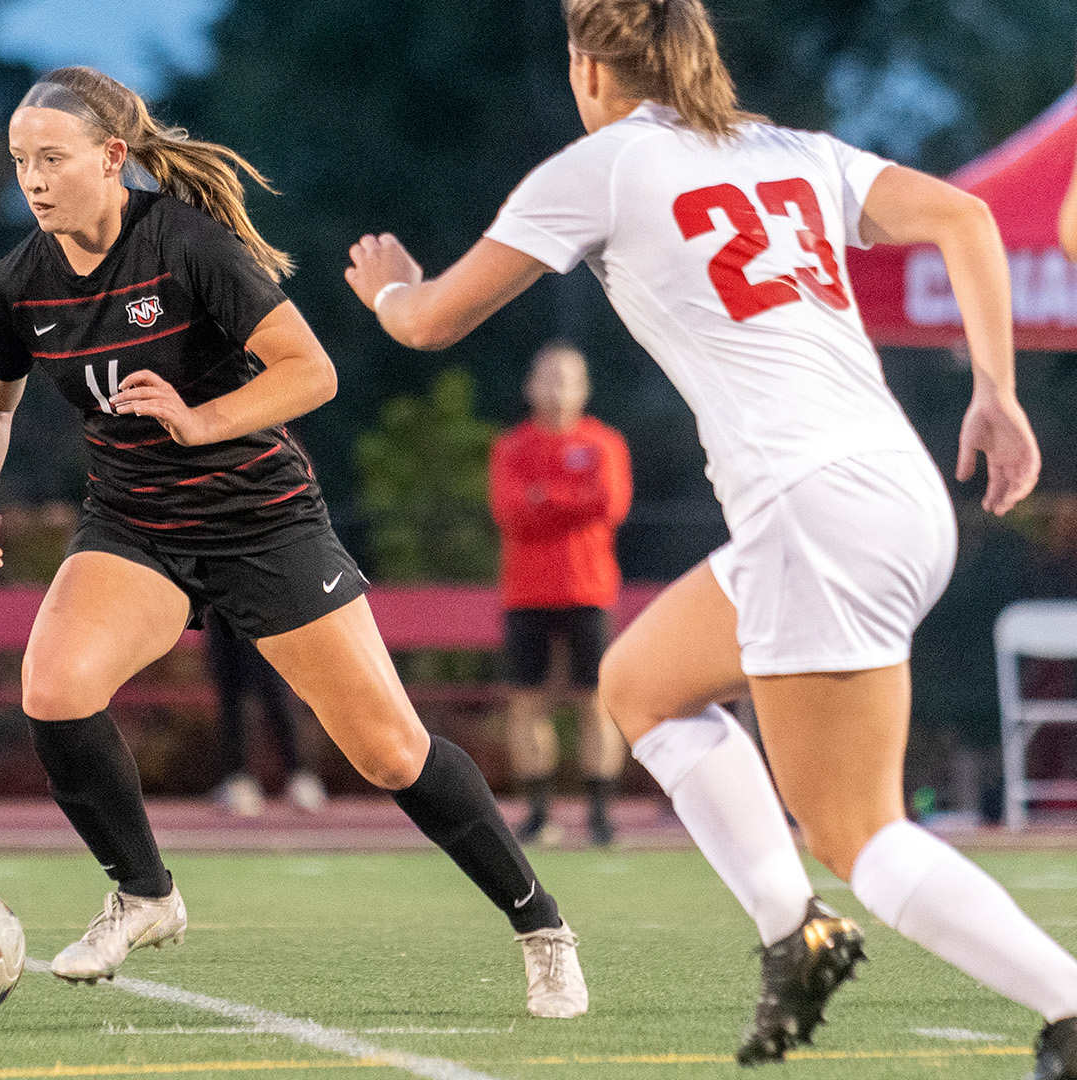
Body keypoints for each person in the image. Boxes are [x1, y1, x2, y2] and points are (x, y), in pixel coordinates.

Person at [343, 0, 1077, 1072]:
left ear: (591, 67)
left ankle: (1065, 1003)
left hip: (813, 510)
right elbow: (965, 218)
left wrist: (389, 287)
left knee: (858, 831)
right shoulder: (793, 149)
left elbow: (430, 321)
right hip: (893, 493)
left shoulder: (599, 167)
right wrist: (996, 394)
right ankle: (796, 934)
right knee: (639, 684)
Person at [0, 65, 587, 1018]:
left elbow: (312, 372)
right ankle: (146, 894)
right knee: (54, 686)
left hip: (261, 521)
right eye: (18, 162)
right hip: (135, 526)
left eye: (52, 158)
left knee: (388, 752)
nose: (32, 180)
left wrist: (201, 422)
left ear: (113, 159)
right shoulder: (22, 282)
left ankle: (543, 929)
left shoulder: (186, 245)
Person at [490, 342, 631, 846]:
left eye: (568, 378)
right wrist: (571, 499)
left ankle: (599, 814)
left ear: (585, 387)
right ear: (530, 385)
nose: (557, 388)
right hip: (526, 593)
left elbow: (609, 504)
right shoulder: (511, 447)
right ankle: (538, 812)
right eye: (548, 377)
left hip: (588, 589)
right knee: (526, 703)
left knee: (596, 701)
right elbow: (509, 510)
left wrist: (544, 497)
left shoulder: (605, 443)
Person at [206, 622, 327, 816]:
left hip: (261, 616)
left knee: (274, 693)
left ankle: (300, 777)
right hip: (222, 616)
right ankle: (238, 779)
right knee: (232, 698)